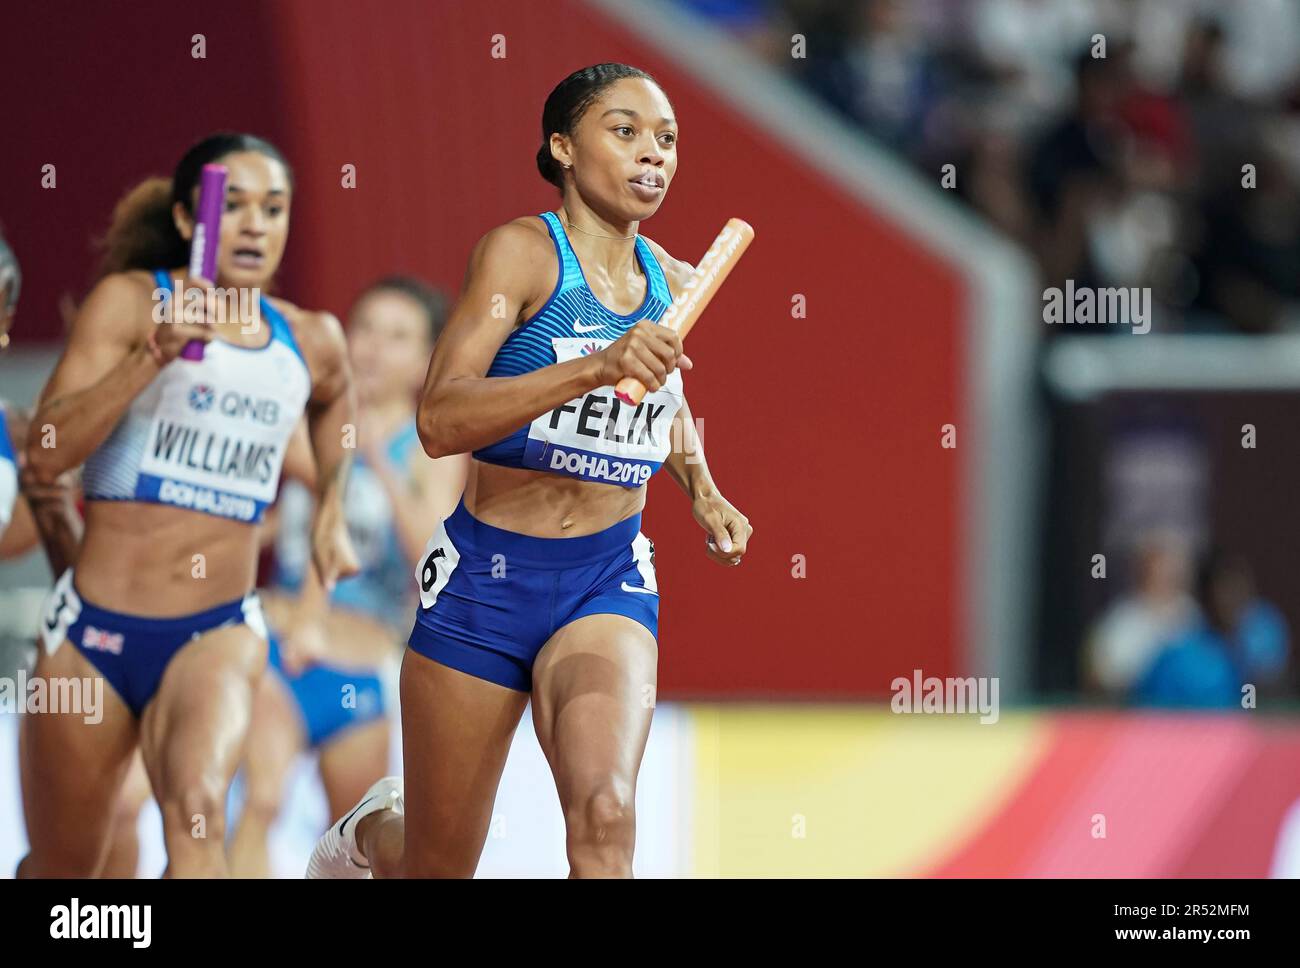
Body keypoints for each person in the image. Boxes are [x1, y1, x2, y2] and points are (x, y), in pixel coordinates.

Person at [309, 62, 752, 879]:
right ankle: (373, 835)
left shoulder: (673, 280)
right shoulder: (519, 256)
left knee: (607, 817)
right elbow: (441, 420)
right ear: (562, 148)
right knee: (437, 864)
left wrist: (703, 489)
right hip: (486, 582)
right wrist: (591, 367)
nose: (652, 154)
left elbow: (662, 400)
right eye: (625, 132)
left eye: (666, 139)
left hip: (605, 578)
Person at [18, 132, 357, 878]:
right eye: (231, 205)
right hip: (93, 635)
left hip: (216, 632)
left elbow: (339, 407)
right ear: (185, 219)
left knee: (198, 814)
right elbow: (43, 453)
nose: (255, 225)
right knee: (65, 869)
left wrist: (331, 504)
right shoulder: (133, 305)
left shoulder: (311, 338)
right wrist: (154, 357)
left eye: (274, 208)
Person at [229, 277, 466, 877]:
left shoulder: (431, 447)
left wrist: (375, 460)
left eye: (397, 336)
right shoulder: (308, 420)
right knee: (260, 799)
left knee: (355, 838)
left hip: (363, 666)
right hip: (281, 647)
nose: (372, 349)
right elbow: (284, 518)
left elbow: (433, 558)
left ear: (424, 361)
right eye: (364, 329)